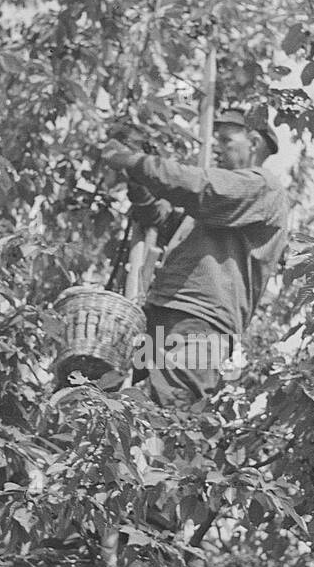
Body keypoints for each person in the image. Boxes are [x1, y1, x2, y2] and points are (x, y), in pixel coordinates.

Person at [102, 105, 290, 408]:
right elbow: (164, 219)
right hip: (161, 315)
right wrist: (138, 184)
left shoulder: (261, 187)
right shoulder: (220, 206)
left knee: (164, 412)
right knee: (124, 413)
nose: (217, 148)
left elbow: (201, 188)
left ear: (253, 143)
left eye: (226, 140)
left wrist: (137, 162)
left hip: (202, 326)